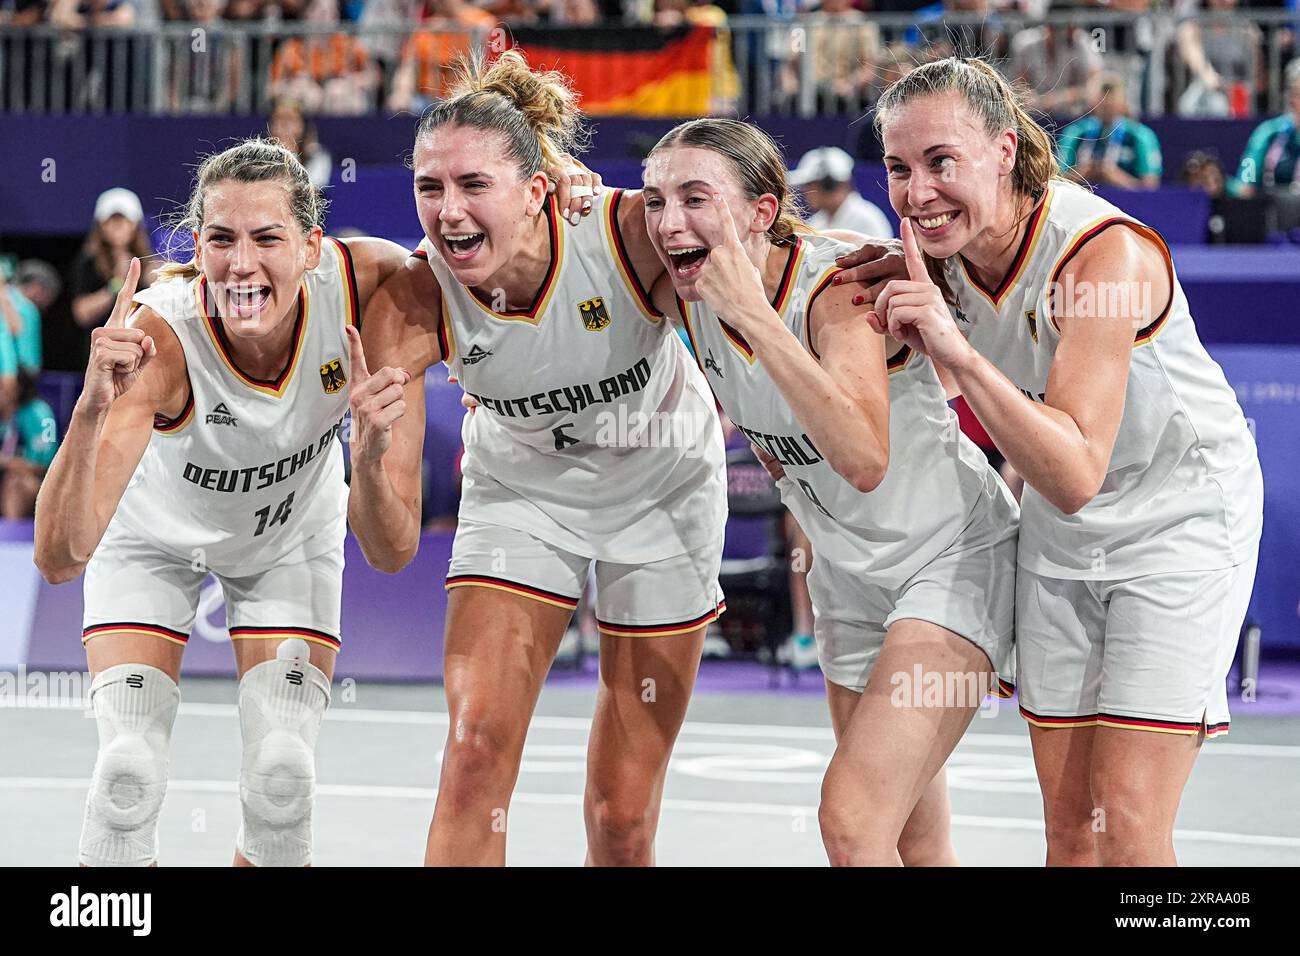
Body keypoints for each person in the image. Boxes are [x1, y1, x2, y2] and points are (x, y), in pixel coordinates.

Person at [840, 56, 1261, 866]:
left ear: (1004, 150)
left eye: (941, 162)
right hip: (1065, 539)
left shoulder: (1103, 255)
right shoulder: (939, 252)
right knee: (1071, 832)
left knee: (1130, 830)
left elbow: (1071, 474)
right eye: (898, 167)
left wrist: (956, 352)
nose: (917, 192)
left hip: (1178, 525)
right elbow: (776, 240)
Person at [349, 51, 729, 867]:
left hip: (664, 485)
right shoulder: (415, 303)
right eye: (429, 188)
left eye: (472, 186)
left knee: (621, 817)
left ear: (537, 189)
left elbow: (772, 257)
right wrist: (368, 449)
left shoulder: (631, 235)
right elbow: (390, 549)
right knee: (473, 754)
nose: (447, 213)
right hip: (524, 492)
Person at [642, 117, 1018, 866]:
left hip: (948, 564)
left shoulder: (837, 288)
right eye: (655, 201)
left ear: (761, 209)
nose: (670, 220)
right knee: (912, 837)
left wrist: (750, 311)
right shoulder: (685, 277)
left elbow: (863, 458)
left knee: (850, 821)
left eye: (694, 198)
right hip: (849, 581)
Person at [32, 138, 412, 867]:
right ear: (196, 244)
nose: (241, 263)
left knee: (282, 779)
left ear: (310, 246)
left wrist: (367, 458)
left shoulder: (368, 296)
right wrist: (86, 412)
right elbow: (56, 559)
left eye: (267, 238)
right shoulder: (154, 340)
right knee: (126, 779)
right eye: (220, 239)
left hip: (289, 535)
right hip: (152, 537)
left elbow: (393, 554)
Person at [70, 188, 158, 370]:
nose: (118, 226)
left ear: (135, 224)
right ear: (101, 225)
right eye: (112, 220)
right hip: (100, 358)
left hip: (139, 356)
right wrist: (117, 283)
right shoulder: (89, 261)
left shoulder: (148, 264)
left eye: (124, 219)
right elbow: (82, 313)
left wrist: (158, 284)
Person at [1057, 72, 1163, 190]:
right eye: (1102, 105)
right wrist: (1082, 174)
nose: (1106, 110)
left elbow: (1150, 187)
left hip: (1128, 203)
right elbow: (1057, 181)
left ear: (1123, 104)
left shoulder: (1141, 135)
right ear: (1092, 104)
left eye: (1111, 105)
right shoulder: (1074, 132)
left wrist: (1114, 177)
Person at [1229, 58, 1300, 197]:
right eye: (1299, 93)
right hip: (1279, 213)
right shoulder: (1268, 132)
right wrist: (1224, 185)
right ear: (1291, 97)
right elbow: (1245, 182)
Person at [790, 147, 894, 240]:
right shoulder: (817, 222)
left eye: (811, 185)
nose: (805, 191)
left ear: (829, 185)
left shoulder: (867, 219)